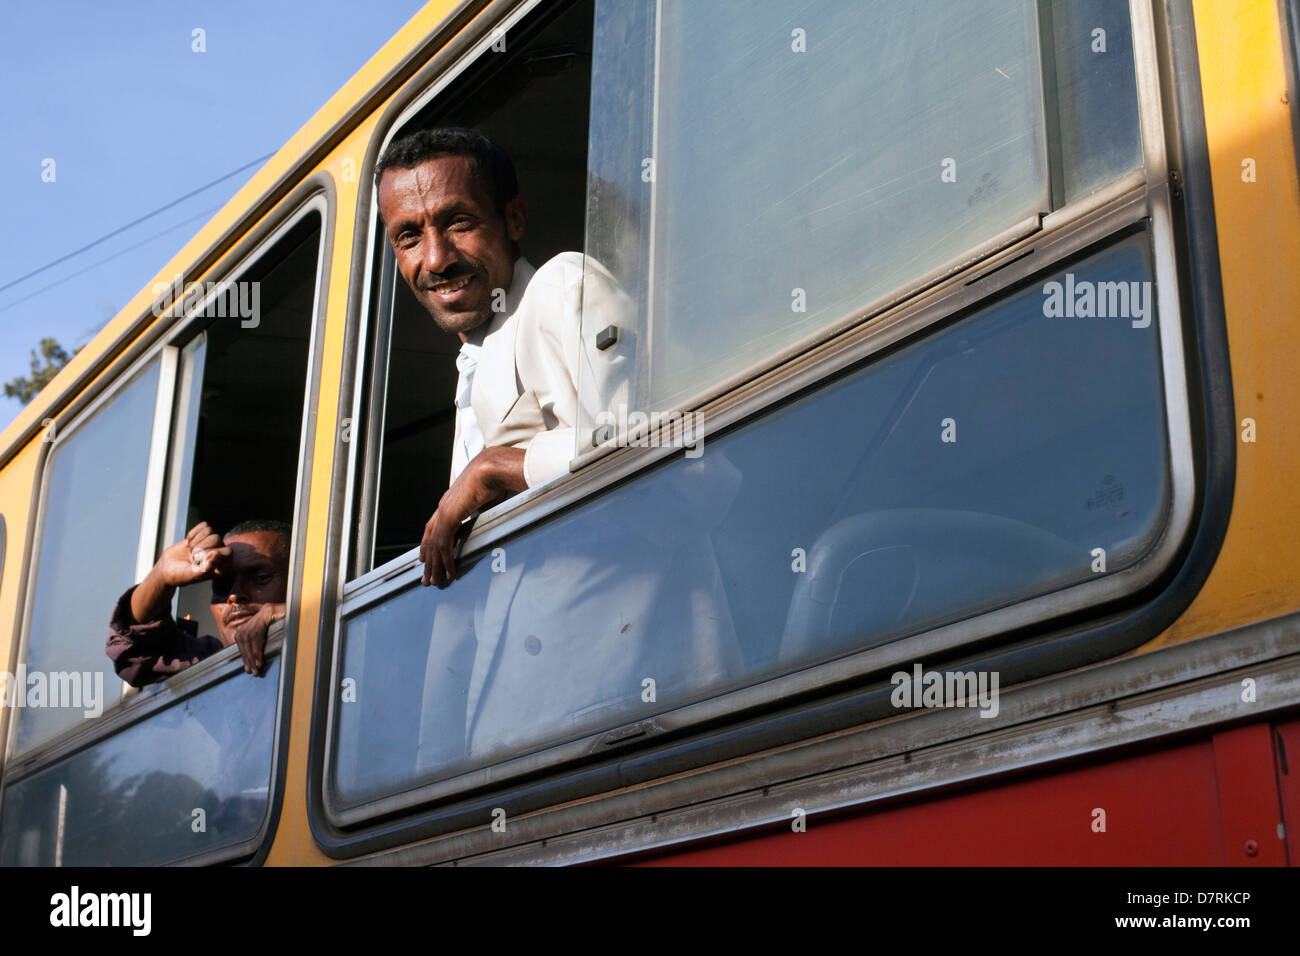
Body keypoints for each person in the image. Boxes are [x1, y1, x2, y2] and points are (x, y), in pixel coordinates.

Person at [373, 127, 741, 772]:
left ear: (513, 218)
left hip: (636, 731)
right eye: (409, 236)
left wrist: (500, 468)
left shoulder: (560, 286)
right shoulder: (475, 365)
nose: (434, 258)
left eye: (457, 222)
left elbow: (681, 469)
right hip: (516, 749)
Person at [106, 520, 289, 688]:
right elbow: (134, 652)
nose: (233, 596)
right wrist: (161, 575)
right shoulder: (209, 665)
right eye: (222, 586)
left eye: (260, 579)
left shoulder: (315, 647)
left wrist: (299, 616)